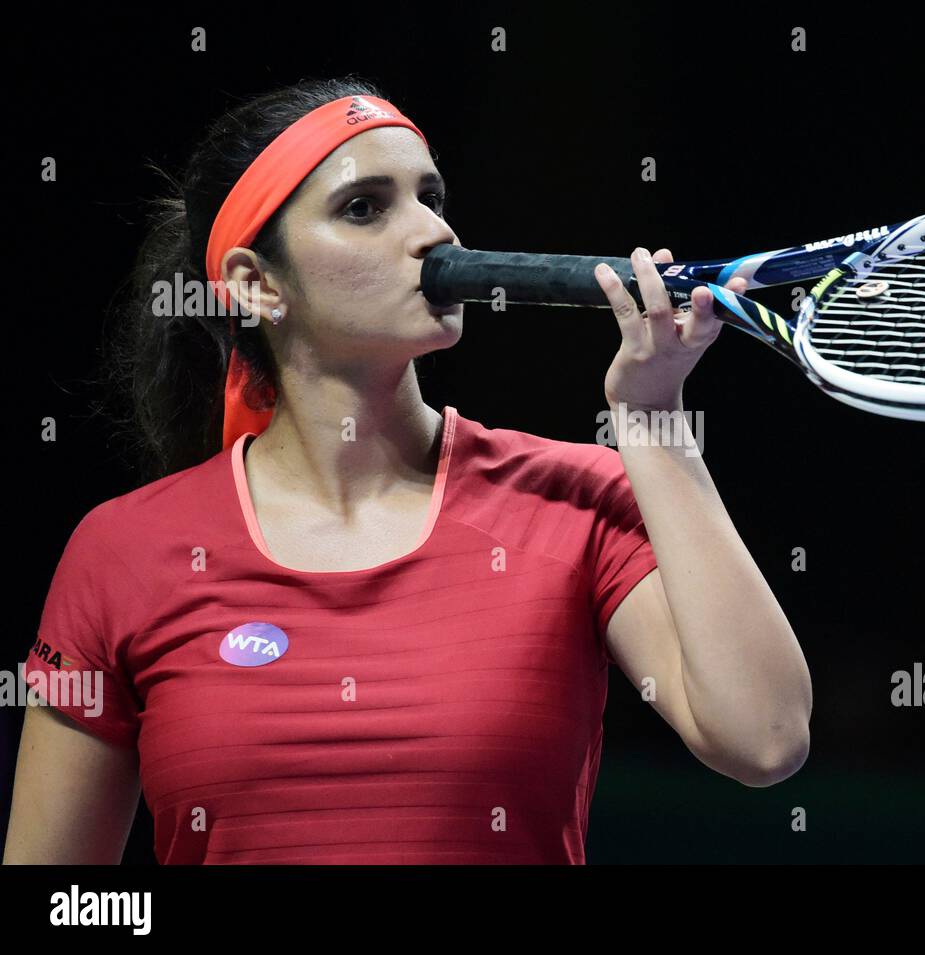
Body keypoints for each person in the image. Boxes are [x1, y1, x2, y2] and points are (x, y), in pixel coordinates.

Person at [4, 77, 812, 865]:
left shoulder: (575, 497)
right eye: (366, 208)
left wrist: (653, 420)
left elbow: (764, 737)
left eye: (431, 196)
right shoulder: (122, 551)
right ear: (256, 284)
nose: (432, 233)